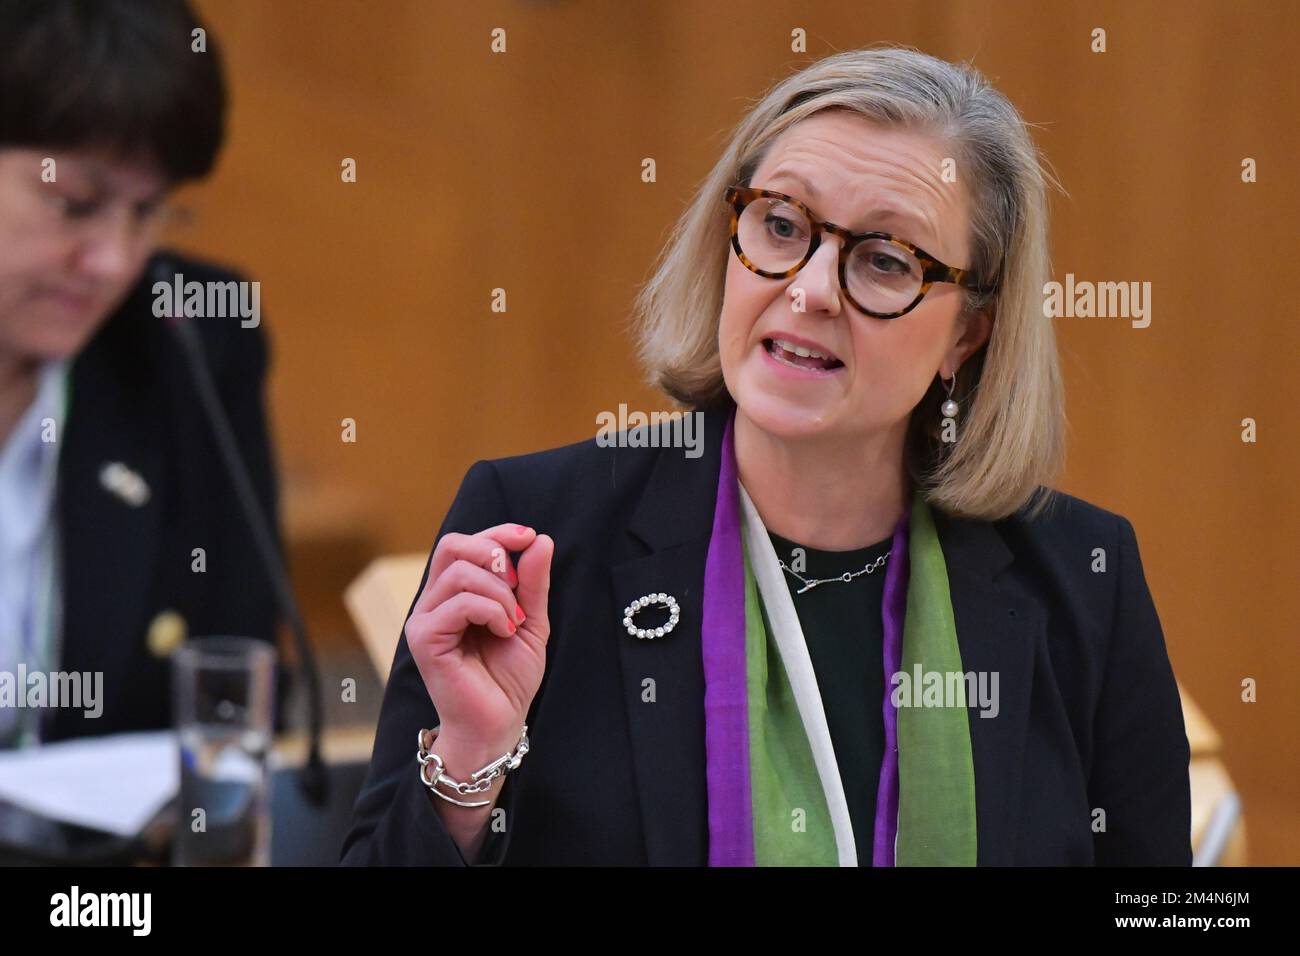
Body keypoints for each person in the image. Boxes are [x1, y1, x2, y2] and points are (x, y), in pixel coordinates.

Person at [342, 46, 1192, 866]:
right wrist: (468, 768)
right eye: (781, 225)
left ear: (967, 334)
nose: (811, 288)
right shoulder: (537, 532)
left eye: (885, 260)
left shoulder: (1085, 579)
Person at [0, 0, 284, 748]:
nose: (114, 262)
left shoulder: (189, 338)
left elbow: (237, 684)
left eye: (149, 211)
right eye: (75, 204)